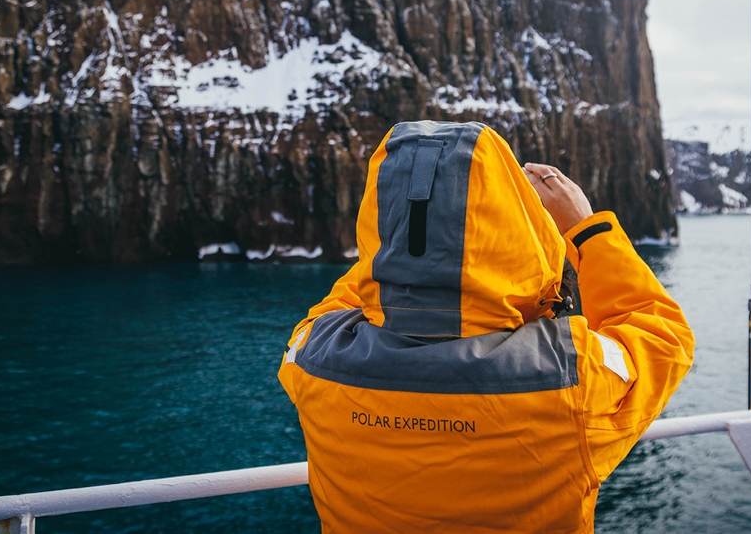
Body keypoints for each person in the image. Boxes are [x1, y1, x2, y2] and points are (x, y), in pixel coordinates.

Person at [278, 121, 694, 533]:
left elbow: (347, 297)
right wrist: (586, 229)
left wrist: (403, 240)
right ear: (514, 233)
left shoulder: (313, 357)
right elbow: (663, 335)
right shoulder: (570, 376)